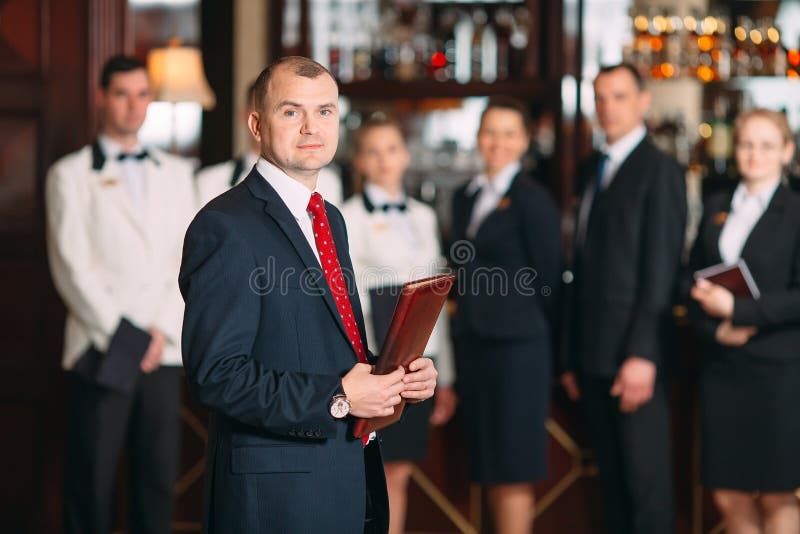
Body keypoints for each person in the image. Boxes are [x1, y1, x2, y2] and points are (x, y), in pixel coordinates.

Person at [179, 56, 437, 534]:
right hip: (275, 498)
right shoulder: (224, 226)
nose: (310, 127)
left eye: (325, 112)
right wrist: (337, 396)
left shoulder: (330, 218)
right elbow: (216, 376)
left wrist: (396, 374)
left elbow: (327, 344)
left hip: (342, 477)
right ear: (257, 124)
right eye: (291, 111)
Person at [45, 55, 196, 534]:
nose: (133, 106)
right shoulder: (68, 174)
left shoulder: (178, 173)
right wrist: (128, 336)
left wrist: (158, 332)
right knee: (91, 480)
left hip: (162, 348)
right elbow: (71, 266)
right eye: (121, 94)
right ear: (101, 97)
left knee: (155, 481)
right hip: (101, 345)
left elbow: (186, 258)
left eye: (142, 94)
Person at [560, 63, 686, 534]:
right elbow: (581, 267)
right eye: (600, 98)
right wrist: (571, 354)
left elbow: (661, 271)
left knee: (646, 489)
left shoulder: (661, 170)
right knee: (610, 487)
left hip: (636, 359)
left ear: (643, 101)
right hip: (592, 356)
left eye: (618, 96)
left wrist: (642, 355)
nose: (608, 107)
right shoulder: (592, 169)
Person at [449, 96, 562, 534]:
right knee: (489, 465)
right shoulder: (465, 196)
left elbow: (549, 278)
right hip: (475, 344)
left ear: (525, 140)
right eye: (490, 132)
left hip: (520, 349)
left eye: (509, 133)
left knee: (513, 468)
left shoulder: (534, 201)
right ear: (478, 137)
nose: (498, 142)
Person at [340, 114, 457, 534]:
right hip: (377, 361)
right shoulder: (347, 216)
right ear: (359, 161)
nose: (384, 159)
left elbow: (434, 301)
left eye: (391, 149)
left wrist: (444, 374)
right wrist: (374, 366)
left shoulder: (425, 216)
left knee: (400, 472)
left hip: (419, 362)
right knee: (368, 472)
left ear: (405, 155)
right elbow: (351, 302)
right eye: (373, 151)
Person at [688, 108, 800, 534]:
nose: (755, 154)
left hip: (778, 370)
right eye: (747, 144)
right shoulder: (717, 205)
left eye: (767, 145)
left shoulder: (796, 211)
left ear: (786, 151)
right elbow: (691, 278)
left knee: (776, 492)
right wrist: (716, 327)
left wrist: (738, 311)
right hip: (723, 366)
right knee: (726, 490)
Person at [196, 81, 343, 207]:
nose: (310, 127)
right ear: (252, 121)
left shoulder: (328, 182)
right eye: (290, 113)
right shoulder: (209, 181)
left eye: (322, 112)